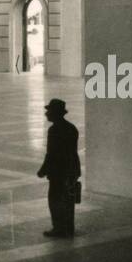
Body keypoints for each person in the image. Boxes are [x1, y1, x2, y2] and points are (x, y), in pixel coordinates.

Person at [38, 98, 81, 238]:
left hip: (59, 171)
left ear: (55, 113)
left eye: (49, 111)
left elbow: (51, 153)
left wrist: (43, 170)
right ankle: (68, 228)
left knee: (55, 200)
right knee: (68, 200)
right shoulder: (71, 127)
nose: (46, 114)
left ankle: (58, 228)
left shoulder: (54, 129)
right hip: (72, 168)